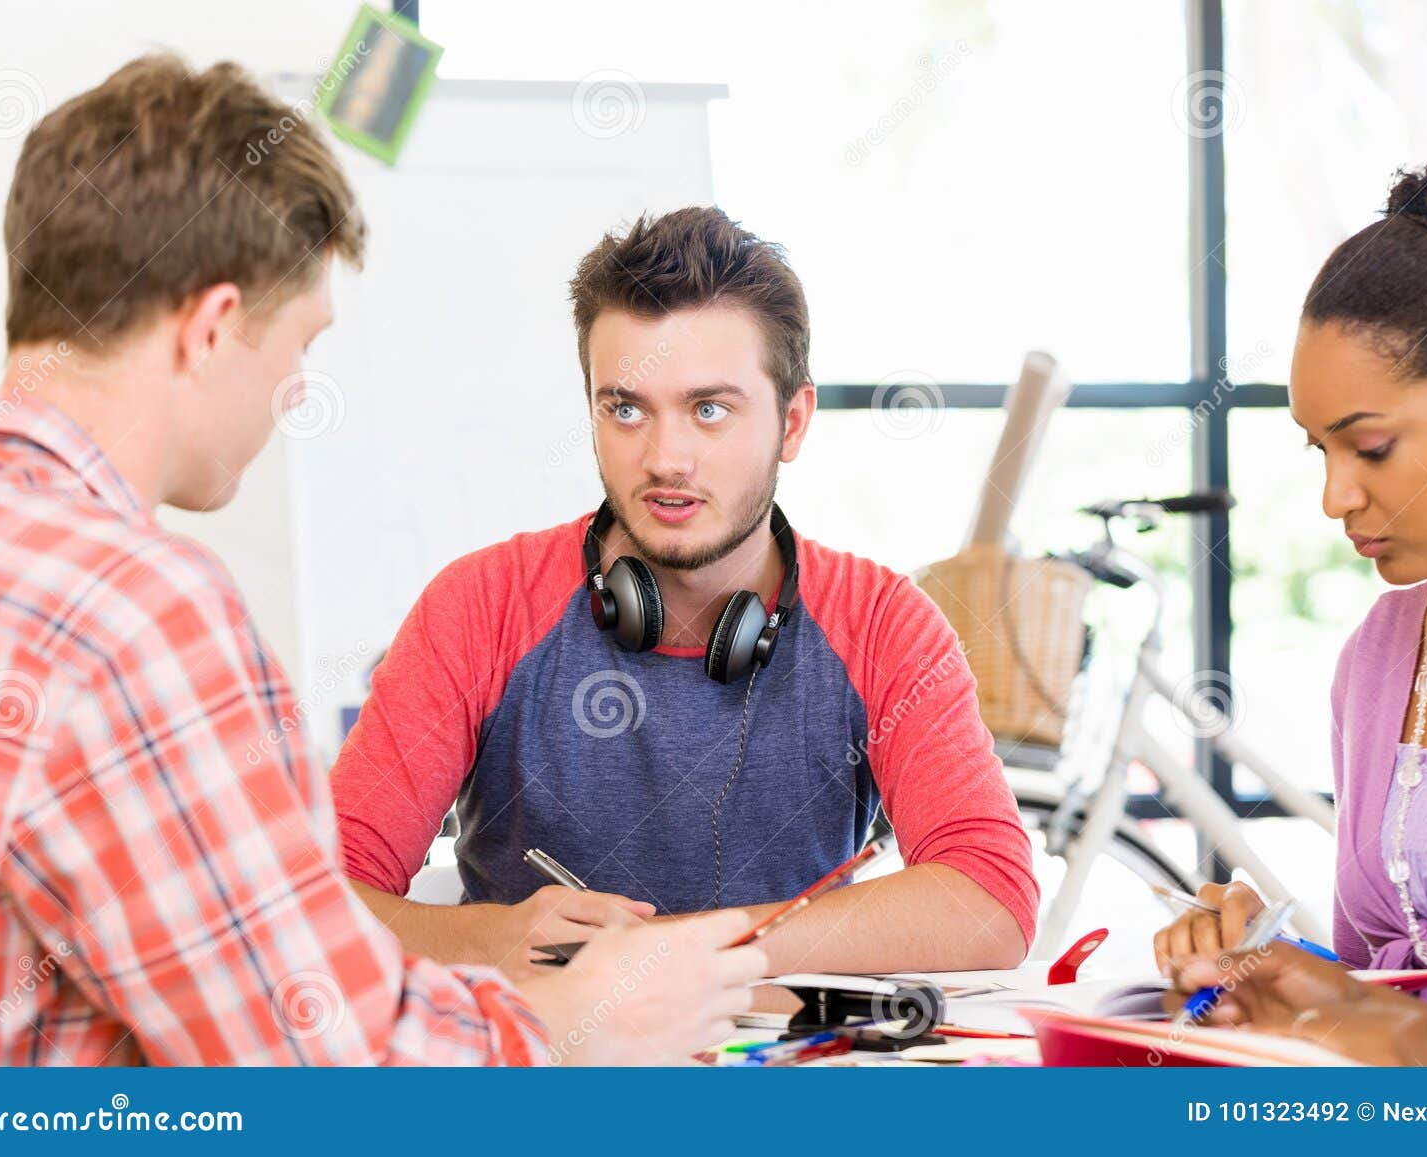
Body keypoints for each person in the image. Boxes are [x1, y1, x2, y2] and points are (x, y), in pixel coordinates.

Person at [0, 55, 762, 1067]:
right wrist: (575, 1025)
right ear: (212, 328)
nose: (295, 391)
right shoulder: (129, 611)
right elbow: (327, 1068)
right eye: (298, 342)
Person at [330, 207, 1038, 977]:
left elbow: (990, 899)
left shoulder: (882, 623)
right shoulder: (479, 605)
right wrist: (489, 942)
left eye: (710, 409)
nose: (666, 459)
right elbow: (306, 902)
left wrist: (686, 950)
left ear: (792, 422)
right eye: (626, 408)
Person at [1153, 159, 1427, 1043]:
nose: (1335, 497)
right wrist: (1274, 964)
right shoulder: (1381, 654)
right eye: (1317, 451)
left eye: (1370, 447)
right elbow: (1394, 975)